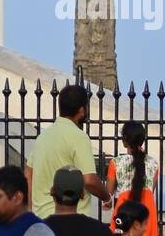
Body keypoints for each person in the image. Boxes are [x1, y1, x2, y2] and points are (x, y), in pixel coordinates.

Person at [24, 84, 112, 220]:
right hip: (72, 218)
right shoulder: (79, 137)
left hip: (42, 219)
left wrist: (30, 209)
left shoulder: (43, 137)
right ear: (81, 110)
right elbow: (89, 180)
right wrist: (107, 197)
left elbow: (28, 173)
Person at [106, 120, 159, 236]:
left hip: (124, 211)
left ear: (124, 141)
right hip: (147, 212)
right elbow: (150, 190)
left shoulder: (115, 163)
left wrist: (107, 202)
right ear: (142, 140)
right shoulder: (153, 164)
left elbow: (108, 194)